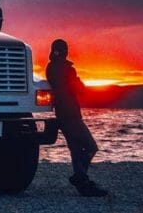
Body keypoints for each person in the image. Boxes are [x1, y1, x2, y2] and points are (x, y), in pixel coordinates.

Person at [46, 39, 108, 197]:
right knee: (91, 147)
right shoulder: (67, 69)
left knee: (75, 149)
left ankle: (82, 180)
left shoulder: (50, 67)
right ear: (65, 51)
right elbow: (79, 88)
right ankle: (80, 177)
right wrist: (79, 83)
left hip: (61, 113)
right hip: (71, 114)